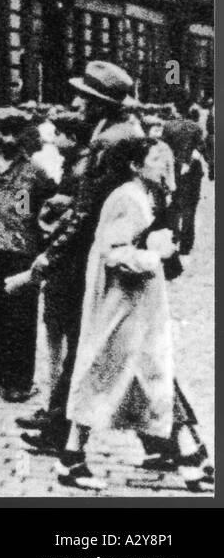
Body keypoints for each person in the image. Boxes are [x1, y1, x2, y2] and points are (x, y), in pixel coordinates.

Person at [56, 137, 212, 492]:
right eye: (157, 160)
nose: (165, 166)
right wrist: (155, 253)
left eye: (168, 159)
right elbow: (114, 253)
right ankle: (190, 462)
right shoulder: (127, 198)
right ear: (135, 166)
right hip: (121, 311)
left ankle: (189, 459)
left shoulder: (143, 195)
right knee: (110, 379)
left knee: (143, 379)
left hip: (136, 308)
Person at [19, 62, 145, 453]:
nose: (76, 103)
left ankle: (63, 431)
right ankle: (59, 425)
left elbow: (88, 209)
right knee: (105, 346)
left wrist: (50, 256)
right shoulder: (114, 131)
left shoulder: (112, 139)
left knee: (102, 346)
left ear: (98, 103)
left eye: (83, 97)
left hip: (93, 254)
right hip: (104, 247)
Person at [0, 108, 54, 404]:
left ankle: (19, 380)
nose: (8, 137)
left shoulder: (34, 172)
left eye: (14, 131)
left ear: (23, 135)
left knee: (21, 318)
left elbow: (43, 214)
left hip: (21, 253)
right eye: (2, 131)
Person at [161, 86, 207, 256]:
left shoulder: (168, 126)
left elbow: (163, 149)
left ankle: (173, 238)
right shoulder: (196, 127)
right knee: (190, 207)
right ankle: (186, 244)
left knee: (174, 205)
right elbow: (201, 149)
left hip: (174, 169)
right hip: (193, 171)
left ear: (175, 107)